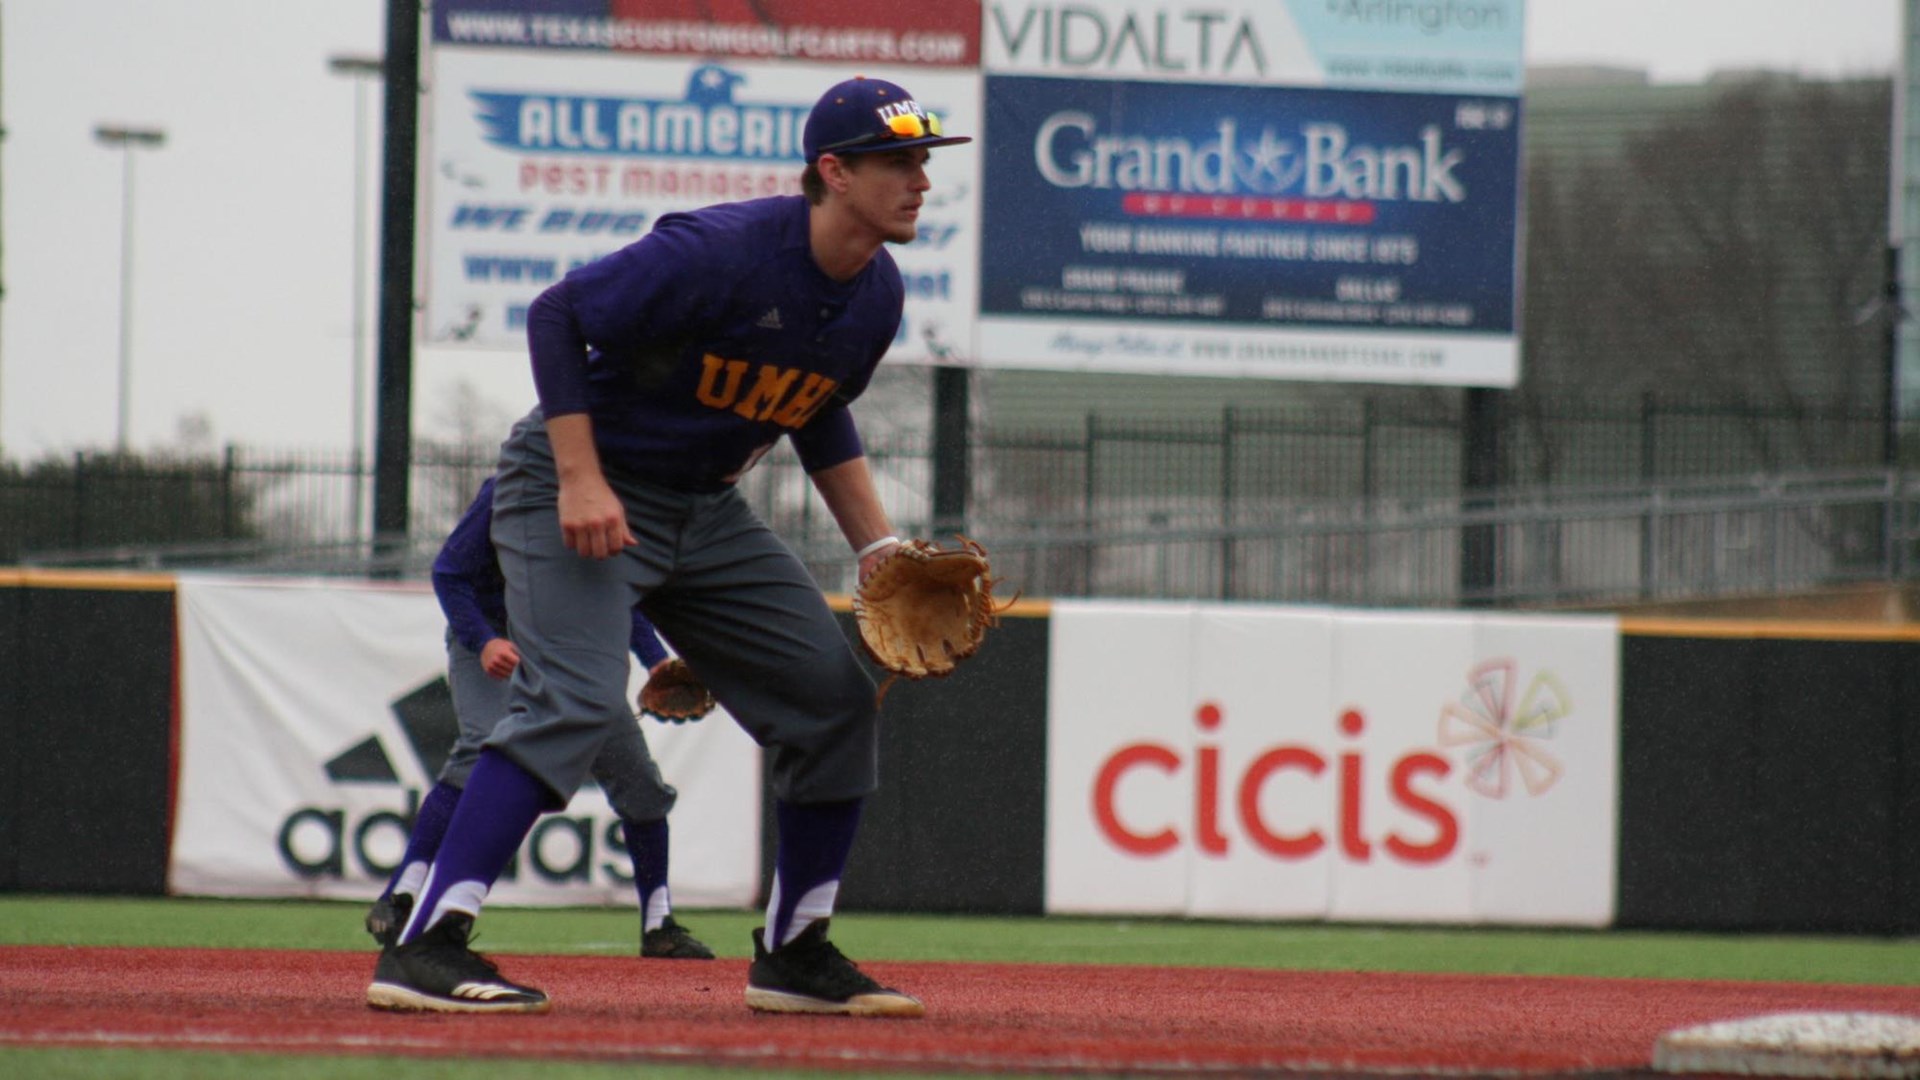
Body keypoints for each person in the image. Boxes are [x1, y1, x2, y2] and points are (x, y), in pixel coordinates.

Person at [365, 75, 969, 1018]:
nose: (921, 178)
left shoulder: (875, 296)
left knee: (832, 702)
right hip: (580, 479)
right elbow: (557, 313)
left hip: (706, 510)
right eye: (899, 160)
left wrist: (877, 546)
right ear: (834, 171)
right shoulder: (721, 251)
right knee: (569, 700)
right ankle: (424, 944)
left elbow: (815, 411)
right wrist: (578, 475)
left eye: (926, 159)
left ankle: (794, 953)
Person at [365, 476, 715, 964]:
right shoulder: (512, 489)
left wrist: (657, 661)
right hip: (494, 639)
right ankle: (403, 896)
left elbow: (619, 597)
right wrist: (482, 639)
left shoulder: (614, 496)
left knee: (640, 781)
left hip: (570, 650)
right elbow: (450, 573)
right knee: (482, 747)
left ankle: (659, 924)